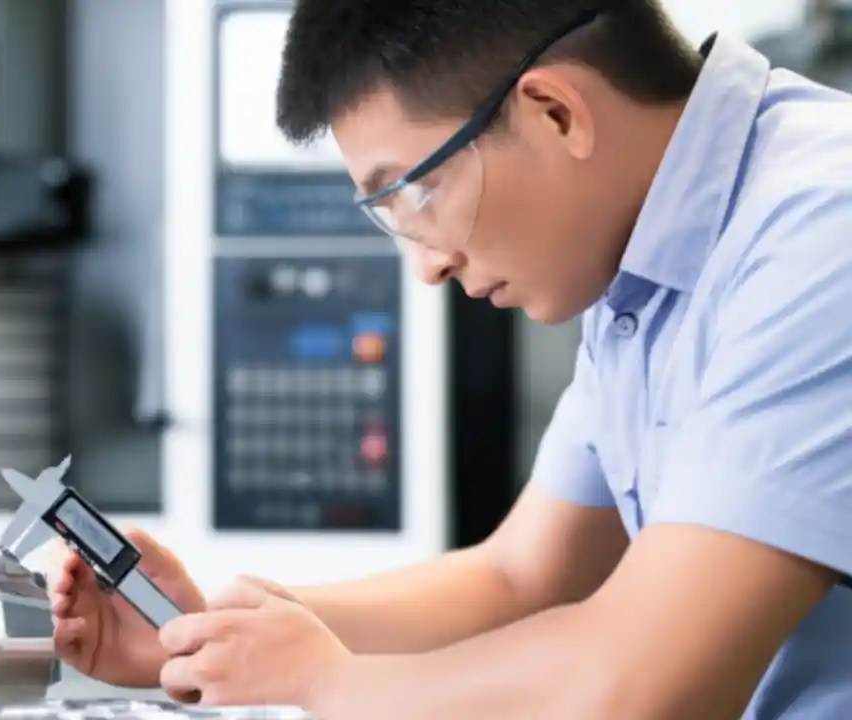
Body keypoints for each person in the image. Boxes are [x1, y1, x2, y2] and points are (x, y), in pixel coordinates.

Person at [48, 0, 852, 716]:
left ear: (554, 112)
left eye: (414, 194)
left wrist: (328, 682)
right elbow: (523, 577)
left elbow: (638, 688)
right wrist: (231, 632)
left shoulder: (821, 228)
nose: (427, 265)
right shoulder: (642, 267)